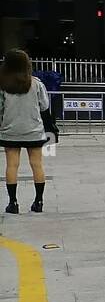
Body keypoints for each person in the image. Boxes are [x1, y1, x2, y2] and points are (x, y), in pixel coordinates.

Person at [0, 49, 51, 214]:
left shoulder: (2, 85)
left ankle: (13, 203)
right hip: (33, 130)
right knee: (37, 165)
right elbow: (45, 106)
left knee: (11, 165)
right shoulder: (36, 83)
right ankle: (39, 201)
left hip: (10, 131)